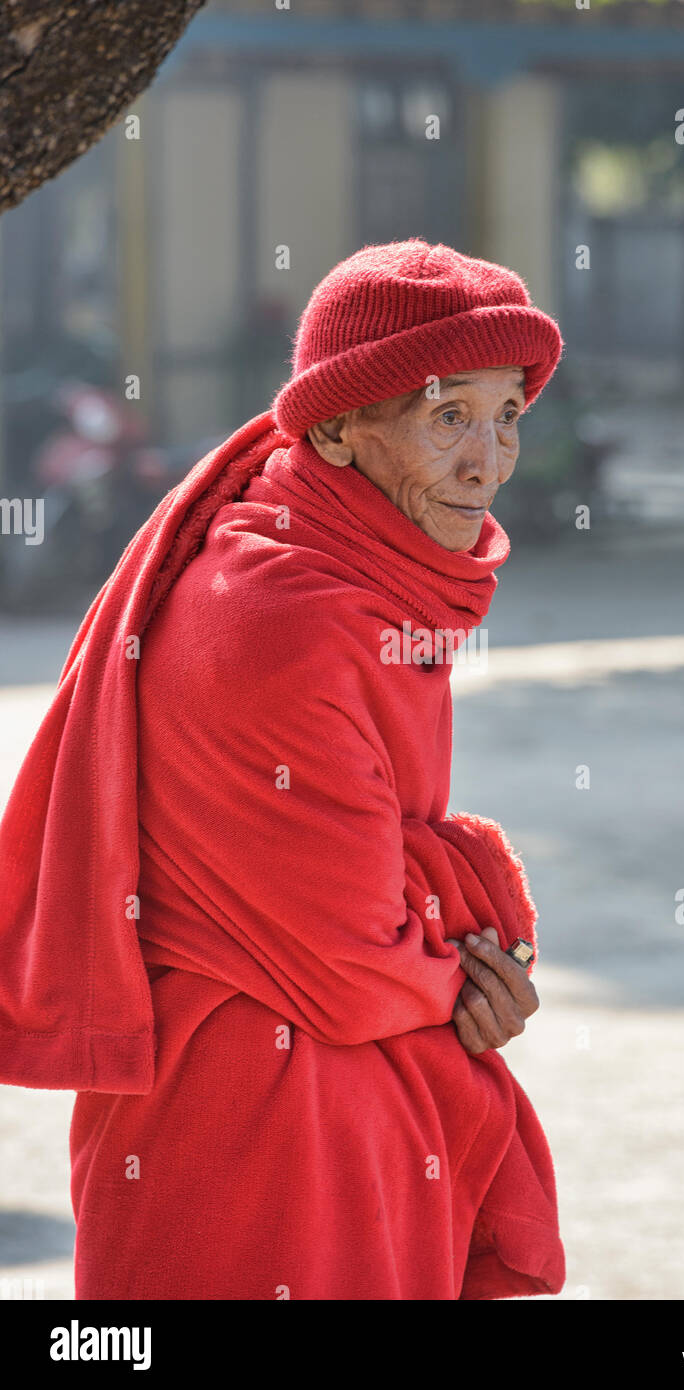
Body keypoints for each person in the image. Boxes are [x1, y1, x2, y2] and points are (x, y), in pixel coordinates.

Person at [0, 239, 567, 1299]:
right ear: (344, 429)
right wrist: (468, 953)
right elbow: (355, 964)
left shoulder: (350, 560)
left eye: (507, 417)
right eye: (449, 418)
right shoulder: (285, 620)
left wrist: (438, 924)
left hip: (342, 1111)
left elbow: (364, 917)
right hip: (249, 1135)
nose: (489, 460)